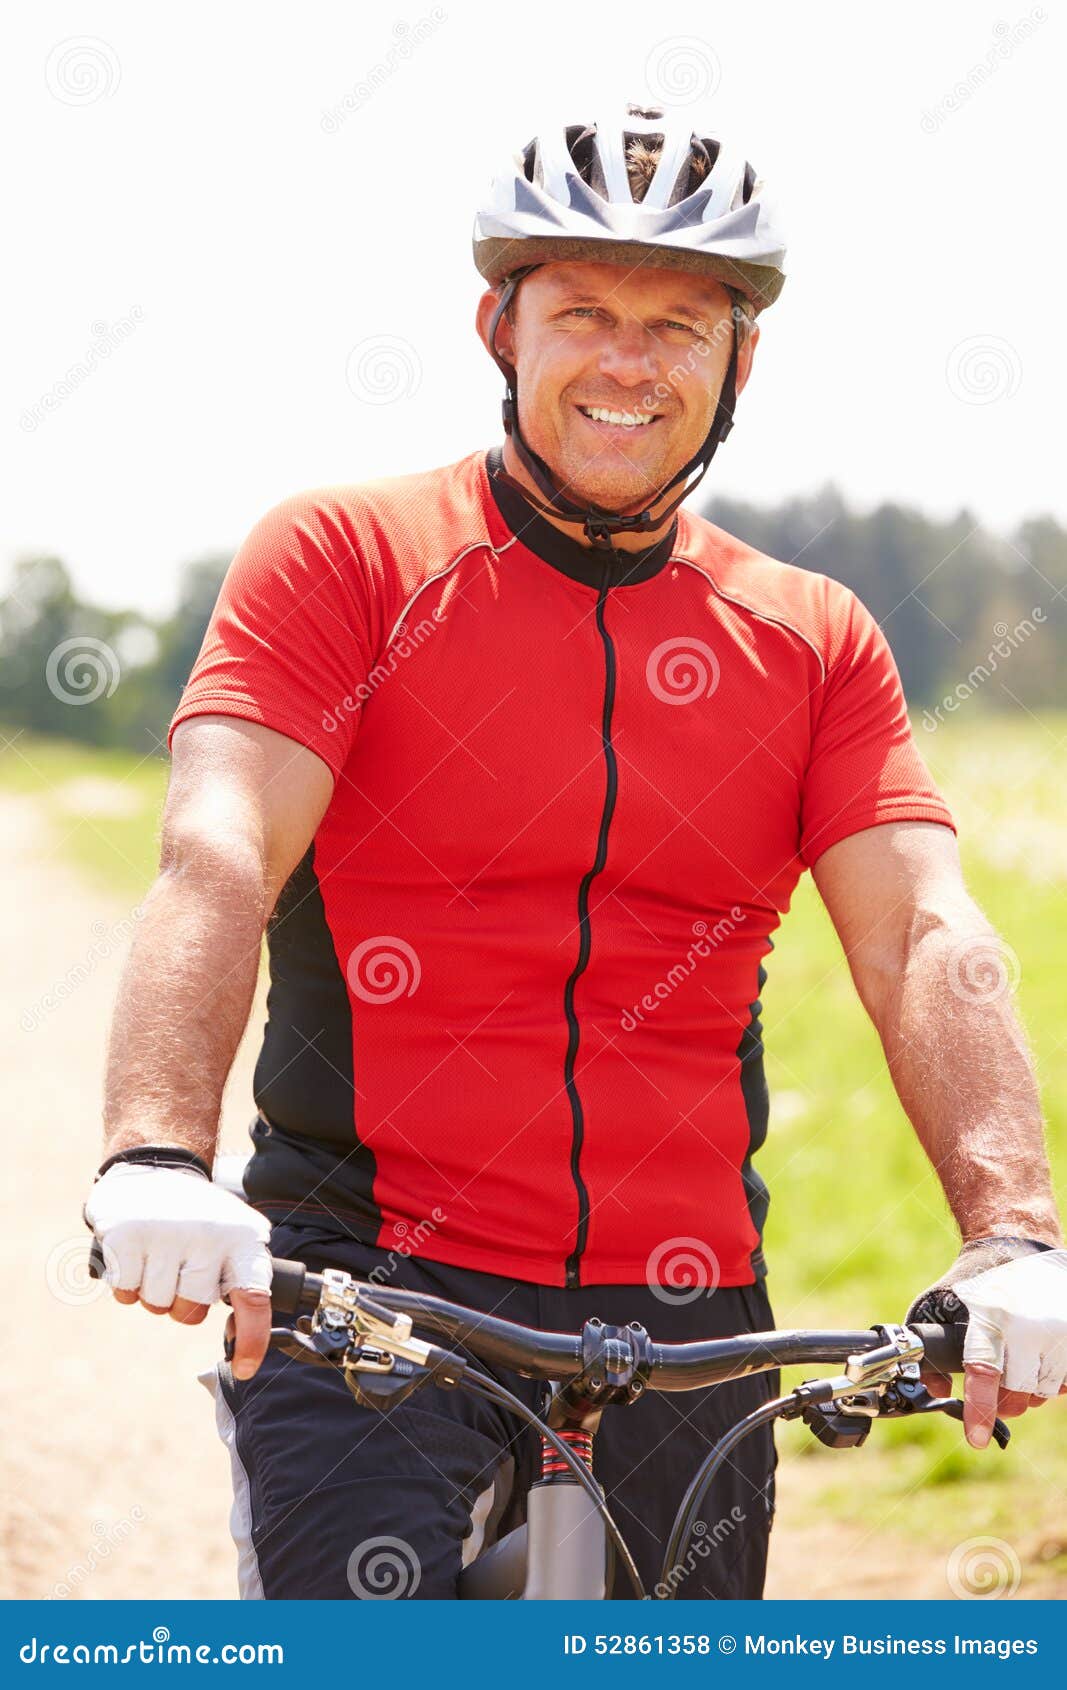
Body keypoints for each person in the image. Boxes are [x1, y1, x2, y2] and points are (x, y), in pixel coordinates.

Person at [85, 104, 1066, 1600]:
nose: (631, 360)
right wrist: (157, 1147)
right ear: (499, 325)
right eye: (586, 312)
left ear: (745, 359)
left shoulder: (810, 640)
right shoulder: (347, 560)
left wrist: (1013, 1236)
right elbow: (219, 848)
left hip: (692, 1315)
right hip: (368, 1286)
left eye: (682, 321)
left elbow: (923, 928)